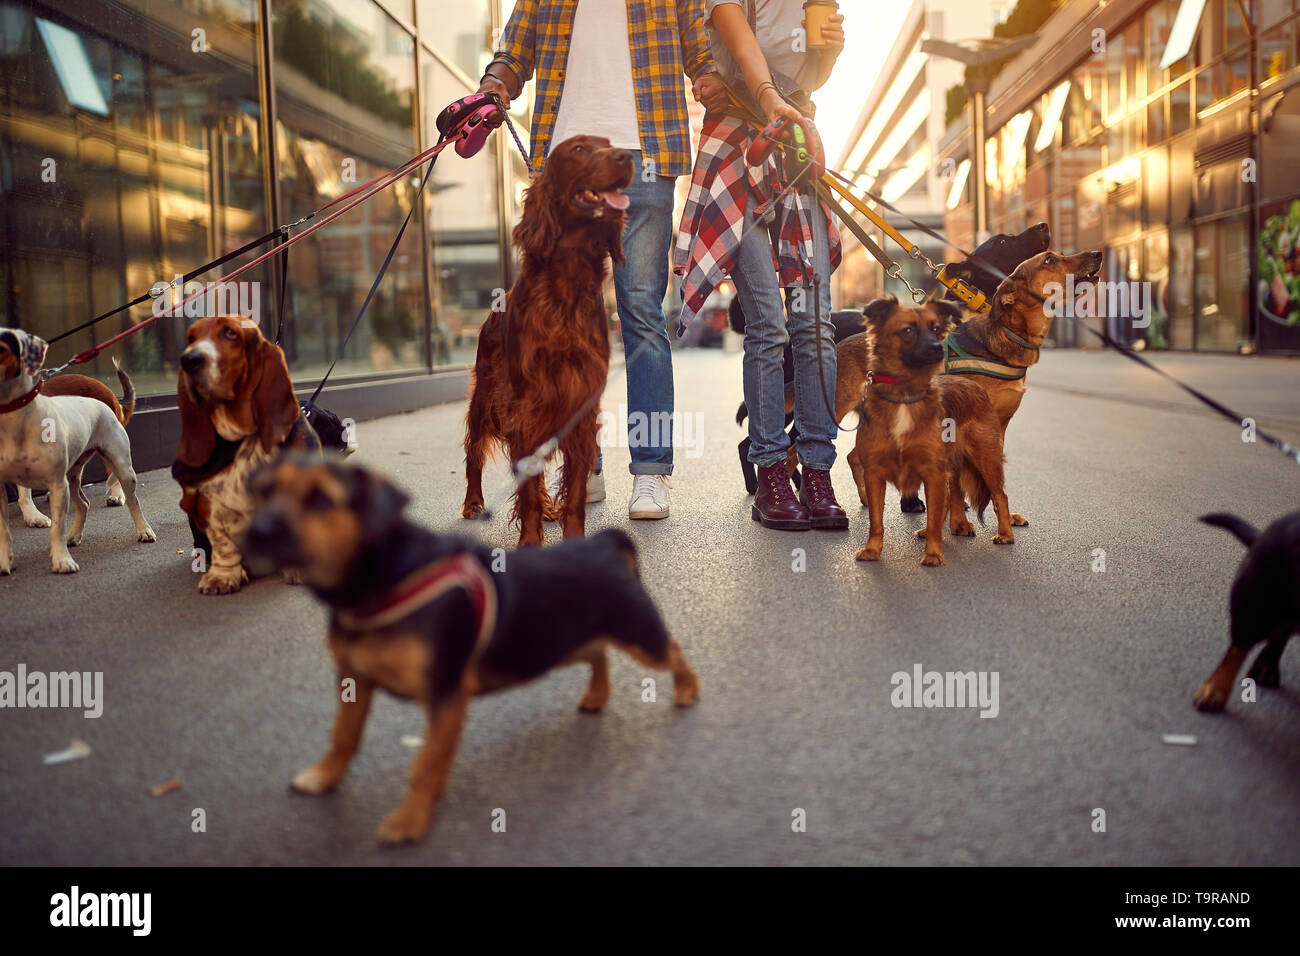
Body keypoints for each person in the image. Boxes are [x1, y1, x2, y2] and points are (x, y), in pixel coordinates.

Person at [479, 1, 730, 521]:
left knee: (641, 307)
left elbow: (701, 46)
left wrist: (710, 77)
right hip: (565, 160)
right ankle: (582, 464)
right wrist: (495, 82)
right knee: (563, 314)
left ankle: (651, 472)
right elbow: (515, 47)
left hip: (648, 152)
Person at [675, 0, 848, 530]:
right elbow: (737, 37)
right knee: (769, 323)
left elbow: (810, 77)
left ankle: (816, 469)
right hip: (735, 142)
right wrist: (769, 95)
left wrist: (830, 52)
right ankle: (771, 468)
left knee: (814, 323)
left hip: (795, 139)